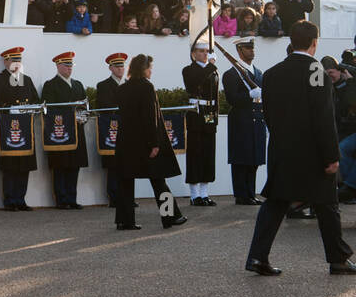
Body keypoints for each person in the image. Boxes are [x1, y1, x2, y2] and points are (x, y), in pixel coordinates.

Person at [244, 20, 356, 277]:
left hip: (281, 149)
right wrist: (332, 155)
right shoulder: (317, 72)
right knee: (327, 205)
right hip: (313, 153)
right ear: (314, 42)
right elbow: (324, 119)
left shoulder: (273, 73)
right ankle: (338, 259)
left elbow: (268, 115)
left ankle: (257, 256)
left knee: (275, 204)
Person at [113, 53, 187, 232]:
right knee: (159, 181)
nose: (151, 71)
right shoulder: (147, 87)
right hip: (146, 143)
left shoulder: (122, 89)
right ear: (144, 69)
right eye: (149, 68)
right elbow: (150, 118)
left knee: (125, 182)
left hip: (125, 142)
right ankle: (170, 217)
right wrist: (154, 143)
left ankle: (125, 221)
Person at [0, 46, 40, 211]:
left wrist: (31, 108)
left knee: (24, 165)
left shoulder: (27, 79)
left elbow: (35, 100)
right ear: (6, 62)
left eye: (19, 60)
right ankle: (10, 200)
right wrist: (10, 109)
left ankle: (21, 199)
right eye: (13, 60)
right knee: (10, 165)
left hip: (25, 128)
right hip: (8, 129)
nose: (17, 63)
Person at [40, 52, 88, 210]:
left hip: (76, 129)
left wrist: (83, 116)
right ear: (58, 66)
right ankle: (61, 198)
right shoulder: (50, 85)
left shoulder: (78, 84)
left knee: (74, 165)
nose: (69, 68)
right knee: (60, 166)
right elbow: (50, 109)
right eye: (66, 65)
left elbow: (84, 105)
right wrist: (71, 111)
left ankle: (72, 197)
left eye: (70, 65)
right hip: (59, 132)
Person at [221, 38, 265, 205]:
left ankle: (251, 193)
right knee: (241, 159)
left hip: (256, 119)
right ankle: (241, 194)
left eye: (252, 48)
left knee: (254, 158)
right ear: (239, 51)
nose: (251, 51)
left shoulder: (258, 73)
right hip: (241, 120)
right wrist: (249, 95)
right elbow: (232, 99)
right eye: (247, 48)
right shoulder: (231, 74)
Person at [182, 40, 219, 205]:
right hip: (196, 114)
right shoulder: (189, 70)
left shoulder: (212, 71)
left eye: (206, 51)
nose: (205, 53)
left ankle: (204, 193)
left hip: (209, 114)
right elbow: (194, 83)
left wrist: (215, 116)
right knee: (195, 152)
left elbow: (215, 95)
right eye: (201, 51)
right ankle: (194, 194)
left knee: (208, 151)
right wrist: (210, 66)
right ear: (193, 54)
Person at [93, 53, 128, 207]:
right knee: (113, 165)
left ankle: (127, 197)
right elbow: (104, 105)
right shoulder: (104, 85)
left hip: (127, 129)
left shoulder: (129, 84)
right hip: (112, 129)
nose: (120, 69)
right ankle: (114, 196)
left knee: (128, 164)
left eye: (122, 66)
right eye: (117, 66)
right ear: (111, 68)